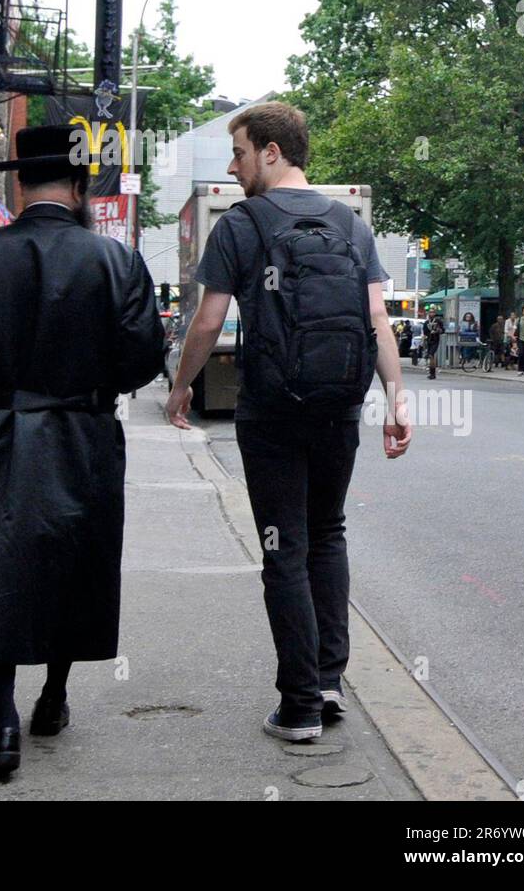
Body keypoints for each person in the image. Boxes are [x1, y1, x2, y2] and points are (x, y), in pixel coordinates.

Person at [0, 124, 166, 781]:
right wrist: (90, 380)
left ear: (17, 183)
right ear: (79, 187)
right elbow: (142, 360)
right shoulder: (118, 262)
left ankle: (2, 721)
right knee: (72, 567)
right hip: (82, 438)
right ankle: (52, 696)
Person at [164, 102, 411, 743]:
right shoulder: (350, 225)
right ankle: (328, 682)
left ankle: (299, 706)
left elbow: (208, 321)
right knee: (328, 533)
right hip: (340, 406)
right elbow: (378, 320)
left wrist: (181, 386)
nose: (233, 164)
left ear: (272, 152)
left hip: (273, 410)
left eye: (240, 151)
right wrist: (397, 399)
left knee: (284, 550)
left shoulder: (243, 225)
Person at [422, 306, 445, 379]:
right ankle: (431, 372)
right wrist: (424, 339)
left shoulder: (438, 321)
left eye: (433, 312)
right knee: (430, 356)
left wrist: (438, 330)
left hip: (435, 340)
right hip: (429, 340)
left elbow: (443, 330)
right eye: (430, 312)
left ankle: (433, 373)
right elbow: (425, 332)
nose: (431, 314)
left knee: (431, 355)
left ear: (435, 313)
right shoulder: (426, 322)